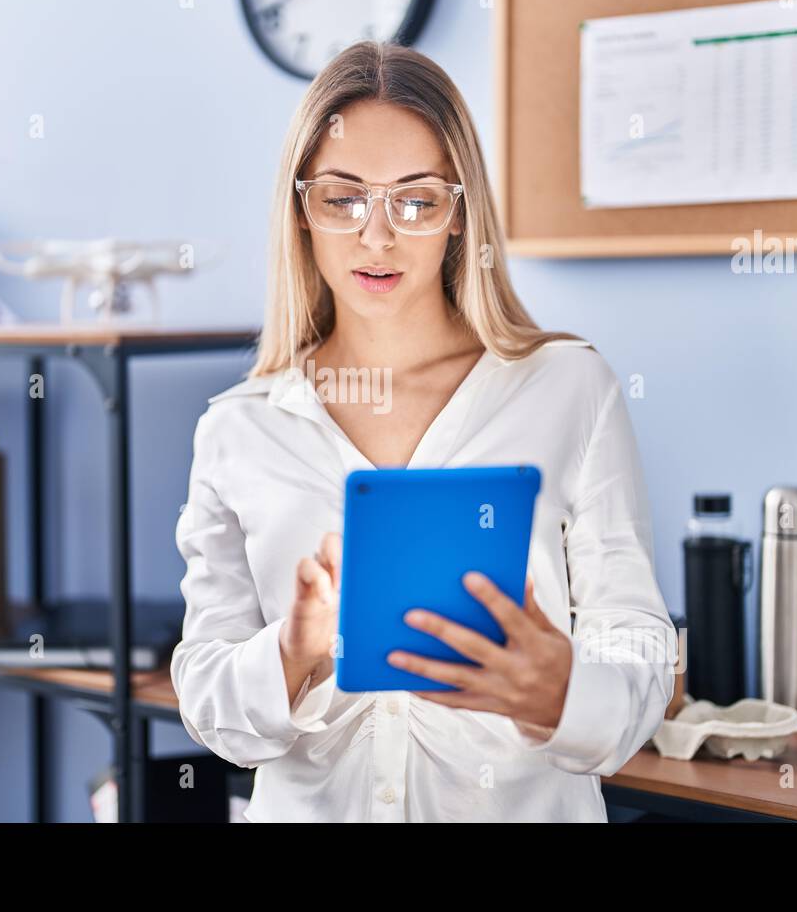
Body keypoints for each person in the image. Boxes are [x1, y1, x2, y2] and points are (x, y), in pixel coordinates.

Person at [170, 41, 674, 822]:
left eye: (416, 199)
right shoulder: (240, 428)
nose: (378, 237)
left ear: (459, 212)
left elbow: (640, 642)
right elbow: (207, 694)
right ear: (301, 211)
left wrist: (563, 690)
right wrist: (294, 652)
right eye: (342, 199)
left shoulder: (571, 389)